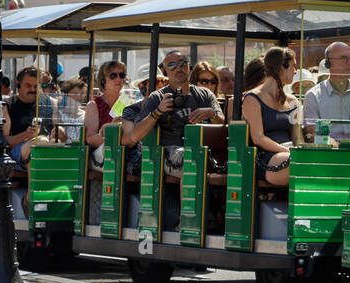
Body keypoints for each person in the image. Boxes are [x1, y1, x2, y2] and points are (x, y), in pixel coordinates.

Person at [134, 50, 222, 180]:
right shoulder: (157, 97)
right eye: (171, 65)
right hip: (170, 153)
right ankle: (188, 201)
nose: (178, 68)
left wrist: (211, 112)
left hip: (204, 150)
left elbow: (222, 122)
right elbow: (136, 134)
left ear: (188, 66)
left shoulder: (205, 94)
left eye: (182, 63)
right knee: (191, 163)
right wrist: (158, 112)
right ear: (165, 72)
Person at [241, 46, 300, 189]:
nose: (296, 71)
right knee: (296, 162)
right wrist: (291, 152)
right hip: (265, 157)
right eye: (293, 66)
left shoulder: (293, 101)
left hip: (291, 151)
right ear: (282, 68)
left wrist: (299, 150)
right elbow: (258, 138)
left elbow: (298, 137)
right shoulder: (252, 98)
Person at [302, 41, 350, 142]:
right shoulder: (314, 96)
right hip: (330, 153)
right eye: (343, 58)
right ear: (328, 63)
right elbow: (313, 134)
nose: (349, 62)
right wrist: (335, 145)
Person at [84, 61, 127, 168]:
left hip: (124, 151)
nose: (119, 79)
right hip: (101, 155)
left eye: (121, 75)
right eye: (113, 75)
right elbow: (90, 138)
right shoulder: (94, 105)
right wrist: (113, 140)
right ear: (103, 80)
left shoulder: (128, 102)